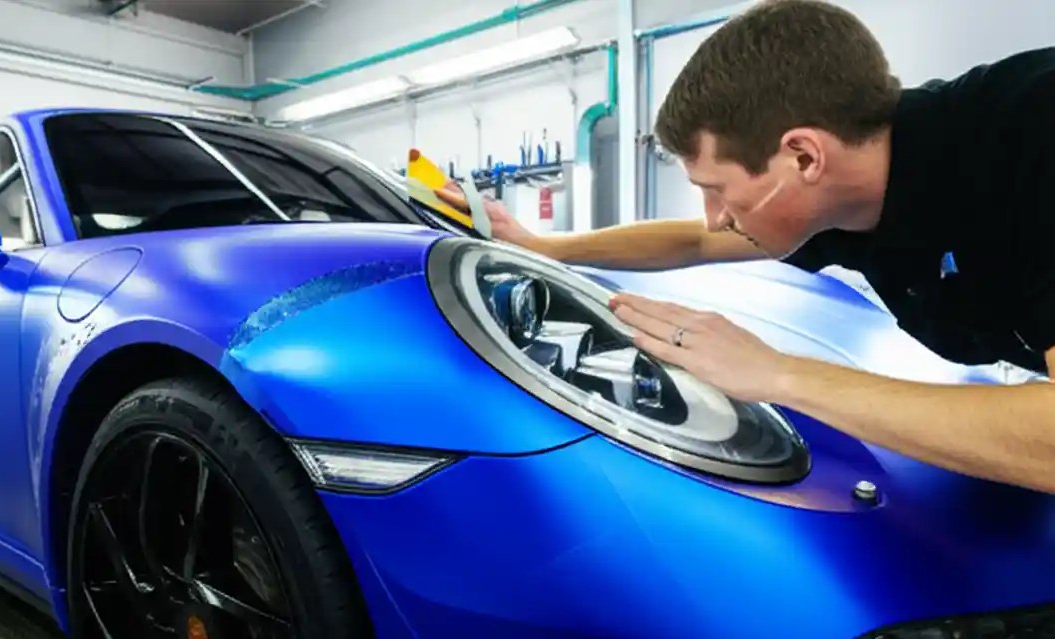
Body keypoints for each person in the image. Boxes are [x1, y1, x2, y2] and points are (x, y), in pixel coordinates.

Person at [435, 0, 1055, 495]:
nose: (717, 216)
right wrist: (544, 246)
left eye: (718, 189)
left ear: (803, 156)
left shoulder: (1032, 138)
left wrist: (777, 374)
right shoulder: (848, 192)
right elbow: (695, 239)